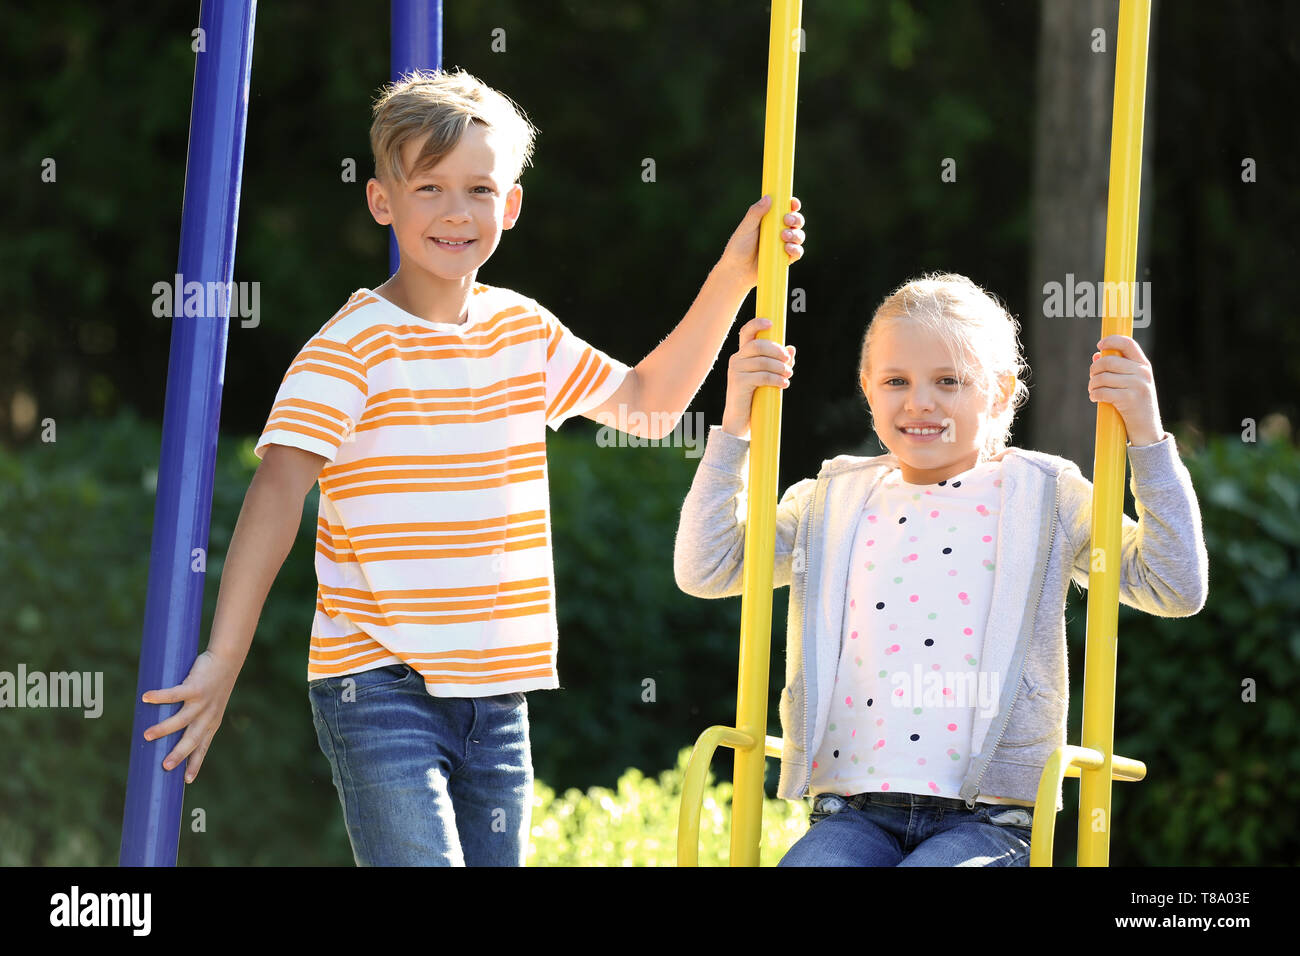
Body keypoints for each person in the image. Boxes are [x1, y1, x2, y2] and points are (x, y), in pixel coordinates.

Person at [139, 67, 806, 866]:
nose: (456, 213)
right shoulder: (350, 348)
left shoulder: (522, 330)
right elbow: (278, 491)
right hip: (379, 686)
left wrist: (737, 271)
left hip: (499, 695)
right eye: (430, 188)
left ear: (511, 206)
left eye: (480, 190)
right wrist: (222, 659)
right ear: (383, 201)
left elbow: (649, 402)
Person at [674, 272, 1208, 866]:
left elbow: (1173, 583)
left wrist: (1147, 433)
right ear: (867, 389)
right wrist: (734, 425)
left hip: (991, 816)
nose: (919, 401)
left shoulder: (1044, 496)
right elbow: (708, 566)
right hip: (852, 809)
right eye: (896, 381)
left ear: (1001, 393)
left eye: (949, 381)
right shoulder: (831, 500)